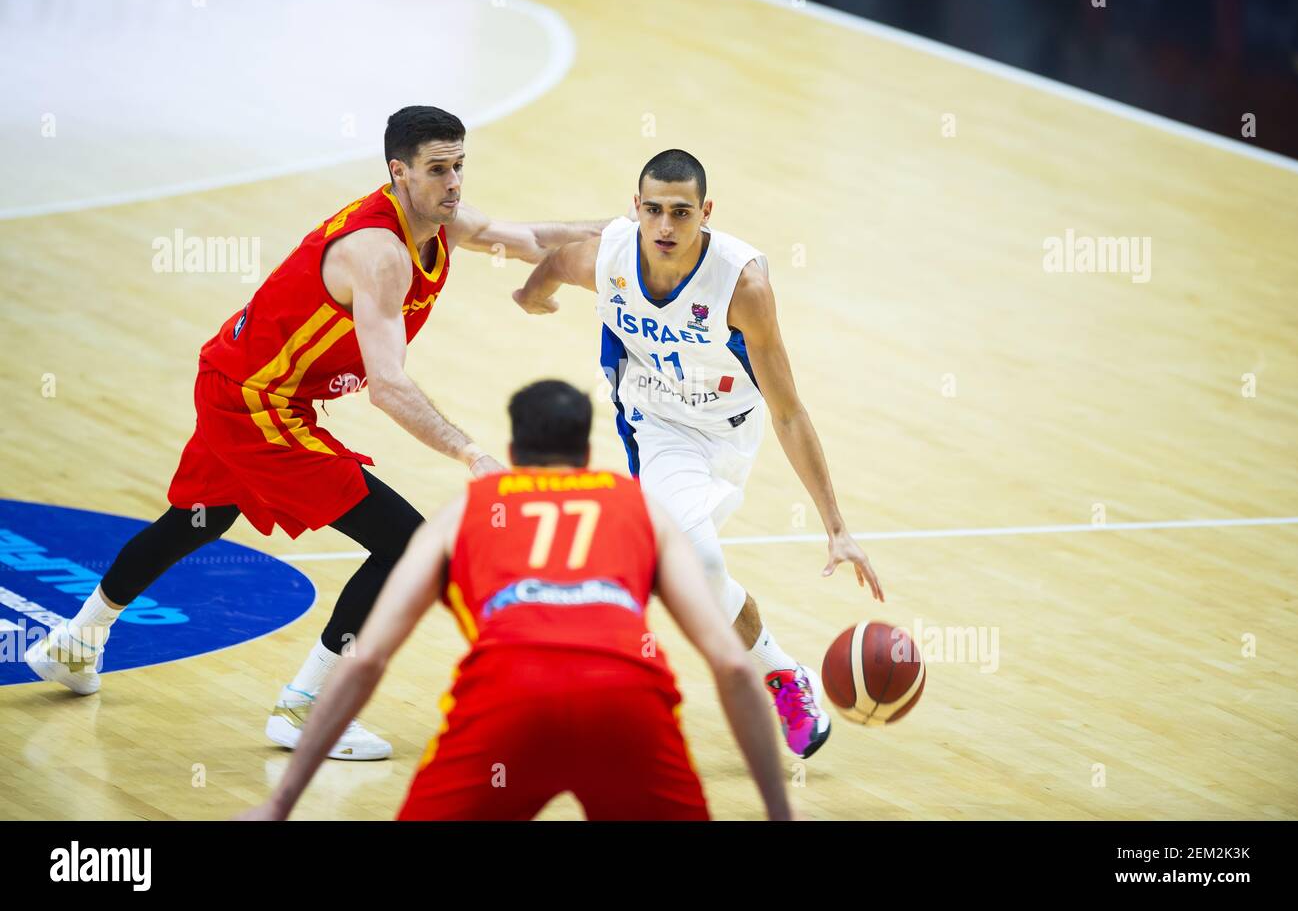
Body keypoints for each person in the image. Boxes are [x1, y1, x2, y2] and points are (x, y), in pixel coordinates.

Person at [25, 106, 611, 761]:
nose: (453, 182)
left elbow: (528, 238)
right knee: (406, 545)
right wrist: (469, 450)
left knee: (197, 520)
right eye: (438, 169)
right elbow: (387, 387)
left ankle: (75, 642)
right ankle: (305, 708)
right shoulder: (379, 252)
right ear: (399, 172)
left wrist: (621, 232)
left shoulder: (440, 221)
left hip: (238, 376)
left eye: (459, 166)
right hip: (256, 402)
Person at [239, 380, 791, 820]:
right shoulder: (641, 509)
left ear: (510, 451)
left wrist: (281, 803)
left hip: (506, 701)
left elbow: (368, 660)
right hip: (625, 702)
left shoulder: (467, 512)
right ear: (586, 453)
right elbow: (731, 668)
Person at [511, 149, 886, 758]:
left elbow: (788, 410)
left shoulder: (743, 285)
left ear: (705, 213)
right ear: (635, 208)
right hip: (658, 428)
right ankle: (780, 675)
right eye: (653, 210)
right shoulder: (610, 257)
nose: (665, 227)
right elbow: (555, 259)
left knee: (686, 567)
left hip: (731, 431)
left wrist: (836, 527)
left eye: (681, 213)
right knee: (696, 563)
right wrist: (532, 293)